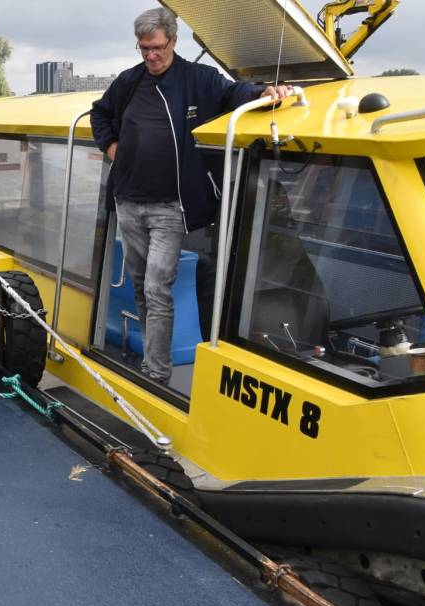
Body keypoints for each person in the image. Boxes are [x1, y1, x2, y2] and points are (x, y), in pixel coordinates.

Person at [91, 7, 291, 384]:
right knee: (140, 287)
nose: (151, 56)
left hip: (170, 207)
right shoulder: (128, 82)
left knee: (156, 287)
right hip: (129, 201)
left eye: (157, 48)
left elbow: (234, 92)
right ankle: (152, 354)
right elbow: (99, 115)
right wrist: (112, 147)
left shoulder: (199, 79)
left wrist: (264, 93)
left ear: (173, 41)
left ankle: (156, 373)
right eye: (144, 48)